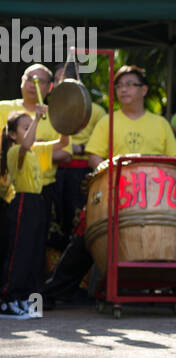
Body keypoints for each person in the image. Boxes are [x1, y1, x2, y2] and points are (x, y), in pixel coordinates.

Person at [1, 107, 70, 317]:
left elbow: (63, 143)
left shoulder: (34, 149)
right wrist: (38, 118)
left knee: (34, 254)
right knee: (19, 253)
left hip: (37, 204)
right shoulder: (14, 151)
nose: (32, 129)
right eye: (26, 126)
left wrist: (64, 119)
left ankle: (24, 299)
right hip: (23, 201)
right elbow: (26, 144)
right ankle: (7, 299)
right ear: (12, 135)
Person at [0, 64, 71, 236]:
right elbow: (25, 146)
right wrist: (37, 119)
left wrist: (67, 112)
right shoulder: (4, 109)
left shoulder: (53, 115)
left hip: (41, 191)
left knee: (35, 241)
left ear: (50, 87)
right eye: (30, 79)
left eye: (40, 81)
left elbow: (64, 147)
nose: (34, 85)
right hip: (13, 191)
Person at [51, 59, 106, 247]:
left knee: (78, 222)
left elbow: (102, 144)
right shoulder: (50, 110)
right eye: (56, 79)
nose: (59, 83)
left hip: (81, 172)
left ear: (76, 81)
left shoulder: (97, 111)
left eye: (64, 78)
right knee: (56, 222)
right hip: (54, 170)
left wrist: (80, 149)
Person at [86, 65, 176, 167]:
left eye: (129, 84)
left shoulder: (161, 123)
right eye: (119, 86)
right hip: (117, 182)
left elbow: (174, 160)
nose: (123, 89)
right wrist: (109, 174)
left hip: (155, 182)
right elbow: (94, 156)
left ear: (144, 90)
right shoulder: (107, 121)